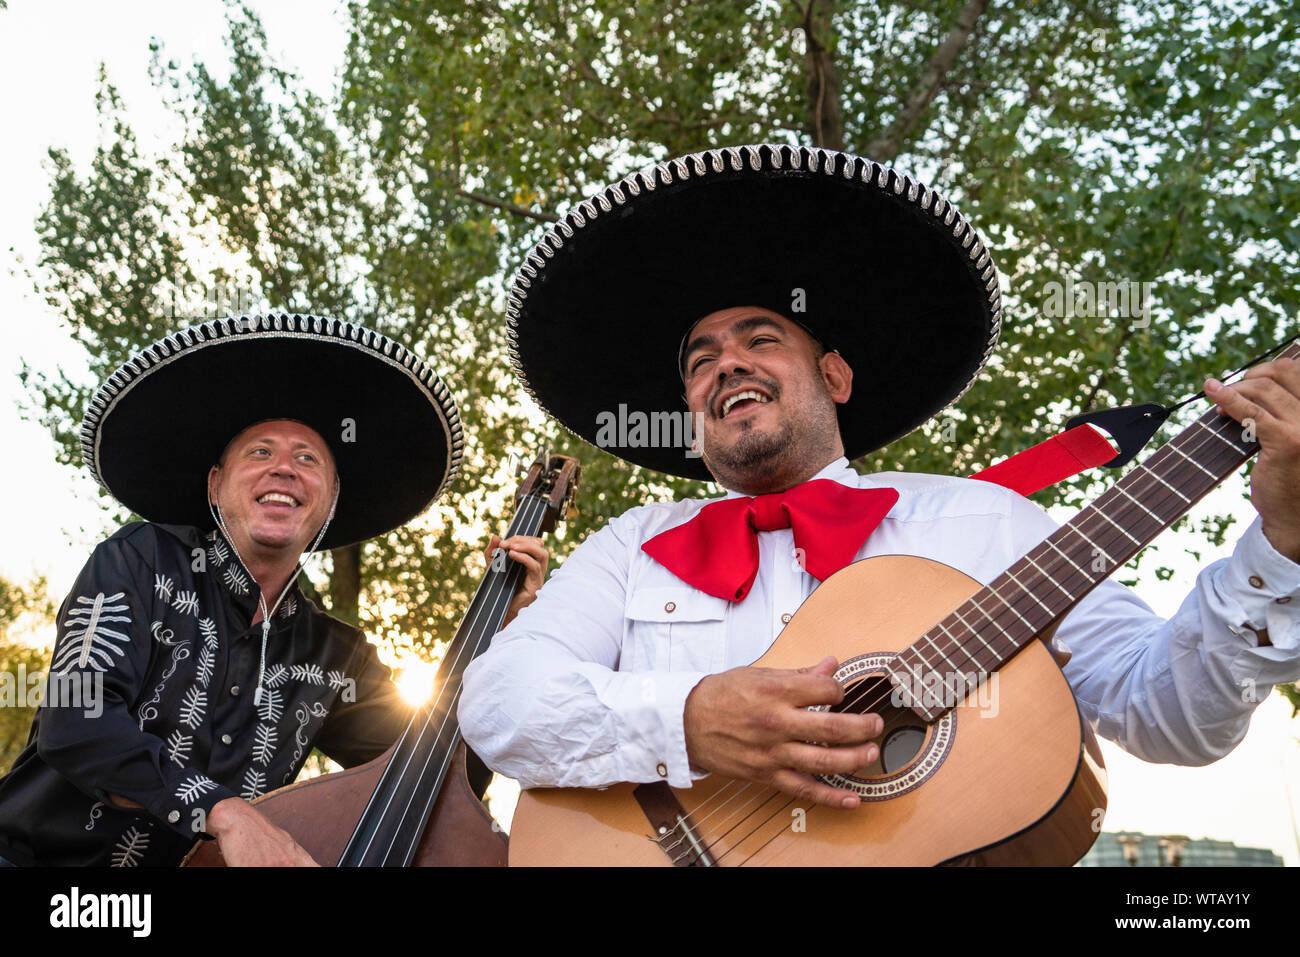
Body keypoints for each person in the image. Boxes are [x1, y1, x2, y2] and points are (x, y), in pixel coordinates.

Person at [458, 144, 1300, 826]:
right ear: (689, 411)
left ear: (835, 375)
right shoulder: (631, 546)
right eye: (701, 360)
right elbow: (498, 699)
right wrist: (690, 717)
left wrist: (1281, 544)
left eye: (761, 338)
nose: (729, 364)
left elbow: (1172, 716)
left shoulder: (987, 523)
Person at [0, 314, 546, 866]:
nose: (283, 469)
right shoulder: (140, 558)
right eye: (260, 452)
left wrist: (501, 640)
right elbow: (76, 721)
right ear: (216, 485)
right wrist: (227, 813)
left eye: (308, 459)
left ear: (330, 500)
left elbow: (445, 777)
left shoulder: (337, 654)